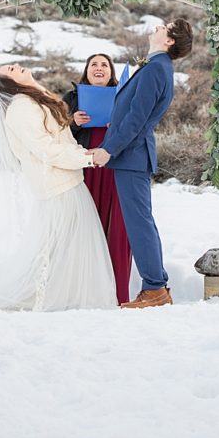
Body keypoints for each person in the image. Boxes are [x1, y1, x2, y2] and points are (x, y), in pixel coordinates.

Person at [0, 64, 116, 312]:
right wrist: (87, 159)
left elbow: (60, 137)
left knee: (68, 242)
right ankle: (40, 294)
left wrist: (82, 152)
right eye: (11, 70)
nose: (17, 66)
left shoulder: (36, 98)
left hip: (69, 179)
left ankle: (64, 291)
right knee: (54, 244)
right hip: (55, 185)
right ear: (10, 84)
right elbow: (45, 149)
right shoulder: (21, 109)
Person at [91, 17, 194, 308]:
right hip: (132, 155)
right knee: (141, 222)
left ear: (169, 40)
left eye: (165, 26)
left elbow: (137, 118)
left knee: (139, 224)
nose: (158, 27)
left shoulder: (157, 69)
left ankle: (155, 289)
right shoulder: (155, 66)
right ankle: (156, 285)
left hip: (130, 156)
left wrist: (108, 148)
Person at [65, 52, 133, 303]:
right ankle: (85, 290)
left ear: (111, 73)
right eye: (93, 63)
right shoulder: (72, 98)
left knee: (117, 228)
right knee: (86, 226)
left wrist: (116, 124)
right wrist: (74, 121)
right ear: (87, 70)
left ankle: (116, 293)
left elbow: (134, 125)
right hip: (84, 169)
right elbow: (56, 130)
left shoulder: (123, 95)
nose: (99, 68)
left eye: (104, 64)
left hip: (114, 167)